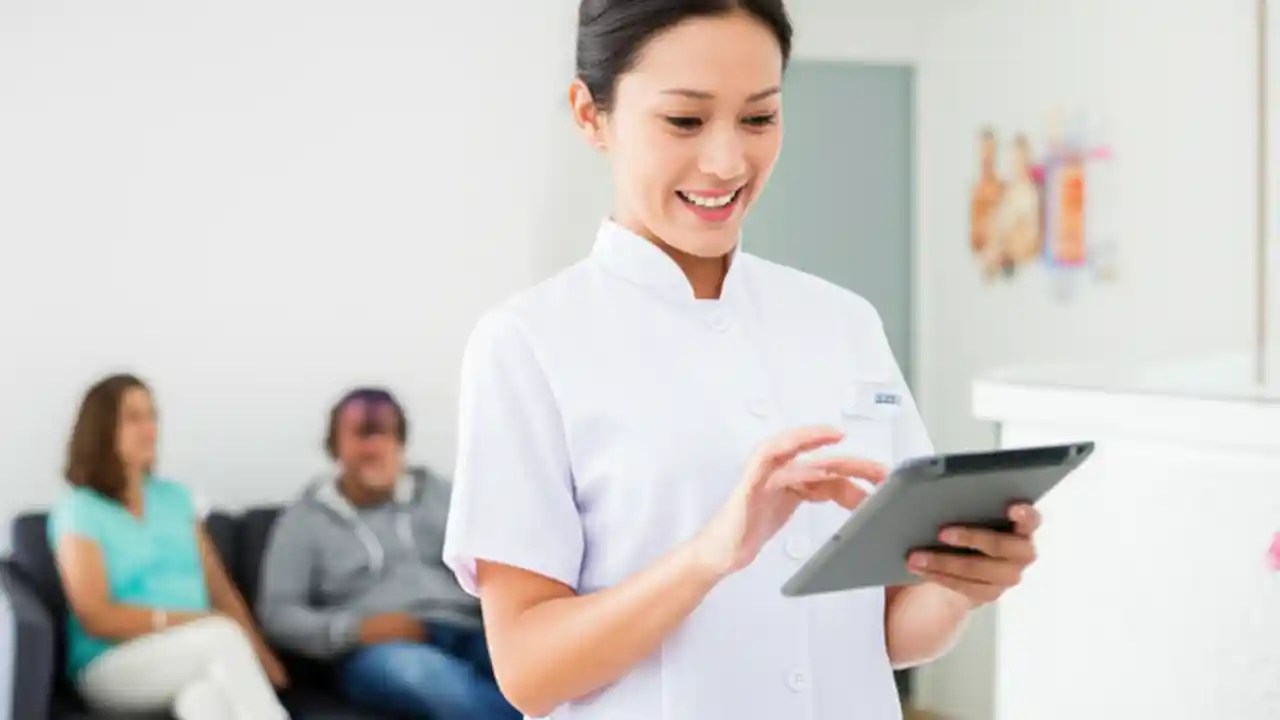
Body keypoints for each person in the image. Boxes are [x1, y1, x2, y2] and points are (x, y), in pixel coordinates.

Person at [443, 2, 1045, 719]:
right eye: (685, 121)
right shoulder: (527, 345)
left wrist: (959, 583)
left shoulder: (843, 321)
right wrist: (711, 554)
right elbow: (528, 671)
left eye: (758, 118)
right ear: (589, 114)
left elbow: (882, 631)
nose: (728, 162)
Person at [257, 388, 519, 720]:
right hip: (379, 651)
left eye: (382, 433)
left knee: (543, 662)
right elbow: (278, 614)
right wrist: (355, 629)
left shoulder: (441, 495)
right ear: (335, 446)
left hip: (469, 625)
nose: (372, 447)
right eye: (359, 435)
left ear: (400, 443)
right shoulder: (304, 520)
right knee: (430, 680)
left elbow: (498, 561)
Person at [48, 374, 289, 720]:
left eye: (152, 416)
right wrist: (193, 621)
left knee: (202, 699)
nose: (149, 429)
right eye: (134, 418)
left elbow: (220, 590)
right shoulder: (79, 509)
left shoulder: (174, 499)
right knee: (219, 637)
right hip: (111, 663)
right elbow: (96, 617)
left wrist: (262, 657)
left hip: (192, 654)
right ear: (102, 429)